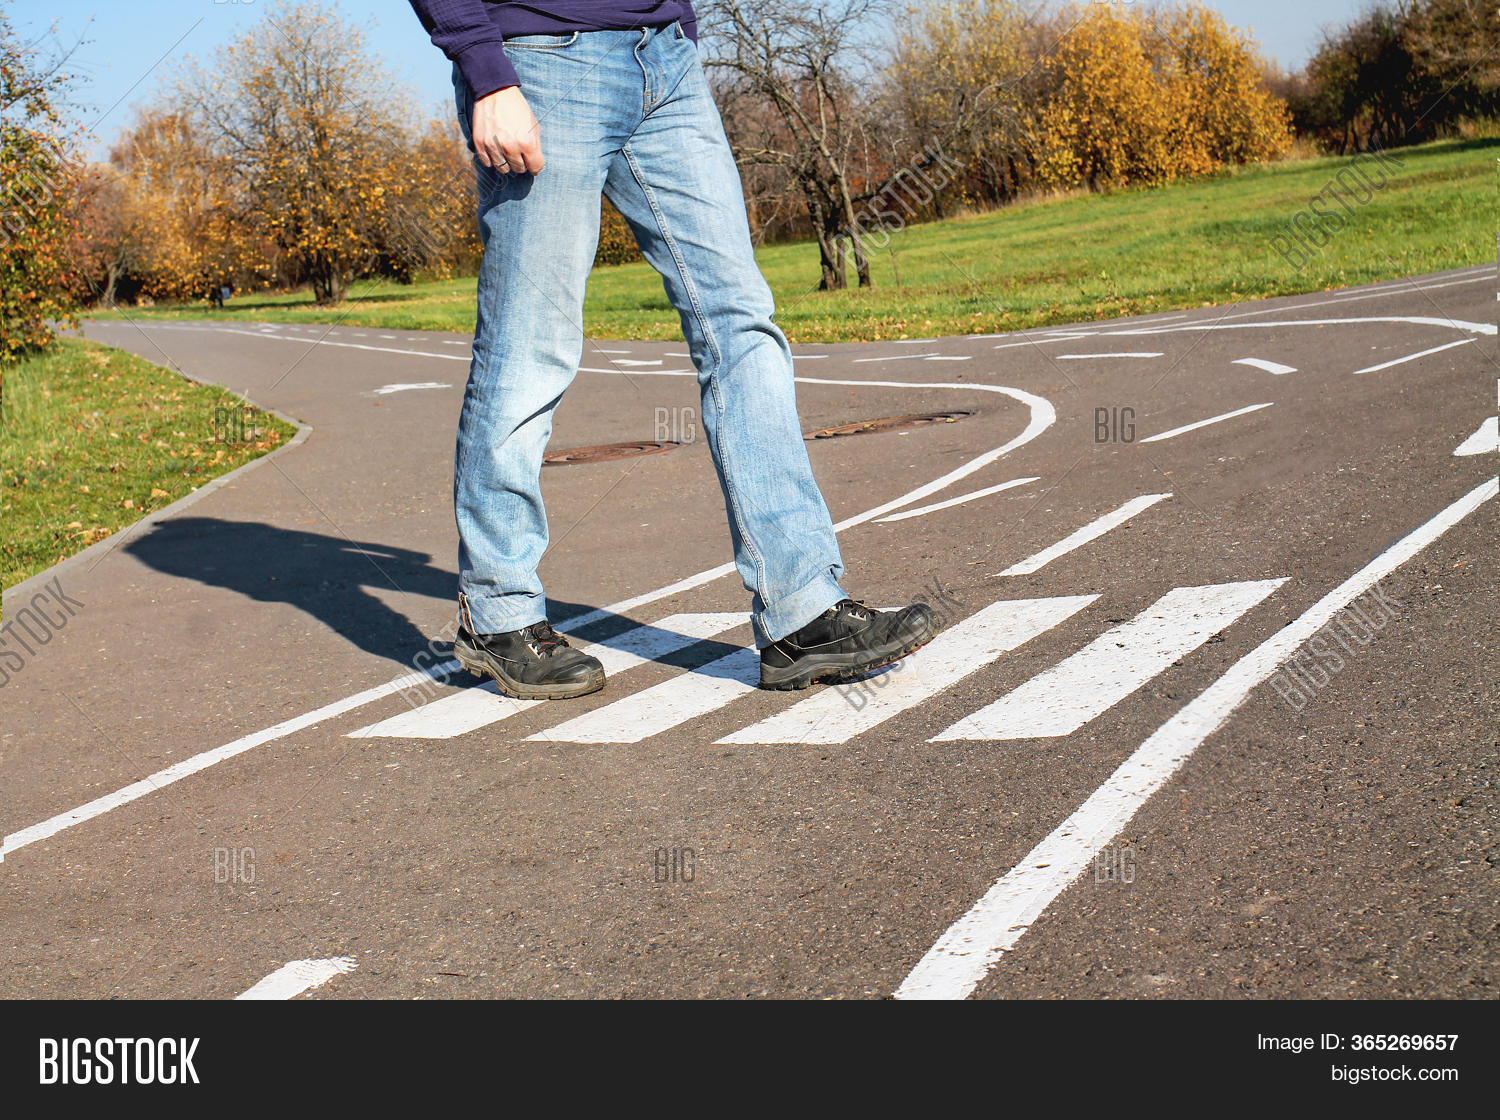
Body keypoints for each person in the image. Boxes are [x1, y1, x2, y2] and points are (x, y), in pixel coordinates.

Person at [409, 0, 937, 699]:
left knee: (742, 324)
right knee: (530, 345)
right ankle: (498, 612)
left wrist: (679, 25)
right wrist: (484, 68)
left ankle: (801, 609)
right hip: (539, 59)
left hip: (665, 61)